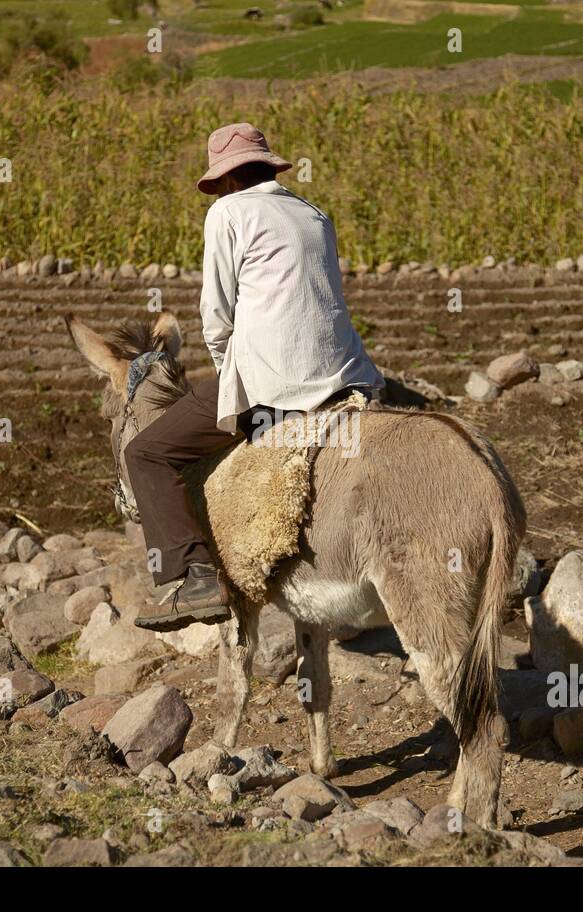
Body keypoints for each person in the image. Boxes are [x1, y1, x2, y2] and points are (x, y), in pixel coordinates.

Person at [127, 122, 383, 632]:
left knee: (147, 453)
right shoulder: (314, 214)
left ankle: (195, 577)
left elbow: (217, 315)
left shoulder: (228, 211)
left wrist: (229, 376)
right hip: (349, 376)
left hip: (279, 389)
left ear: (223, 180)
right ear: (269, 167)